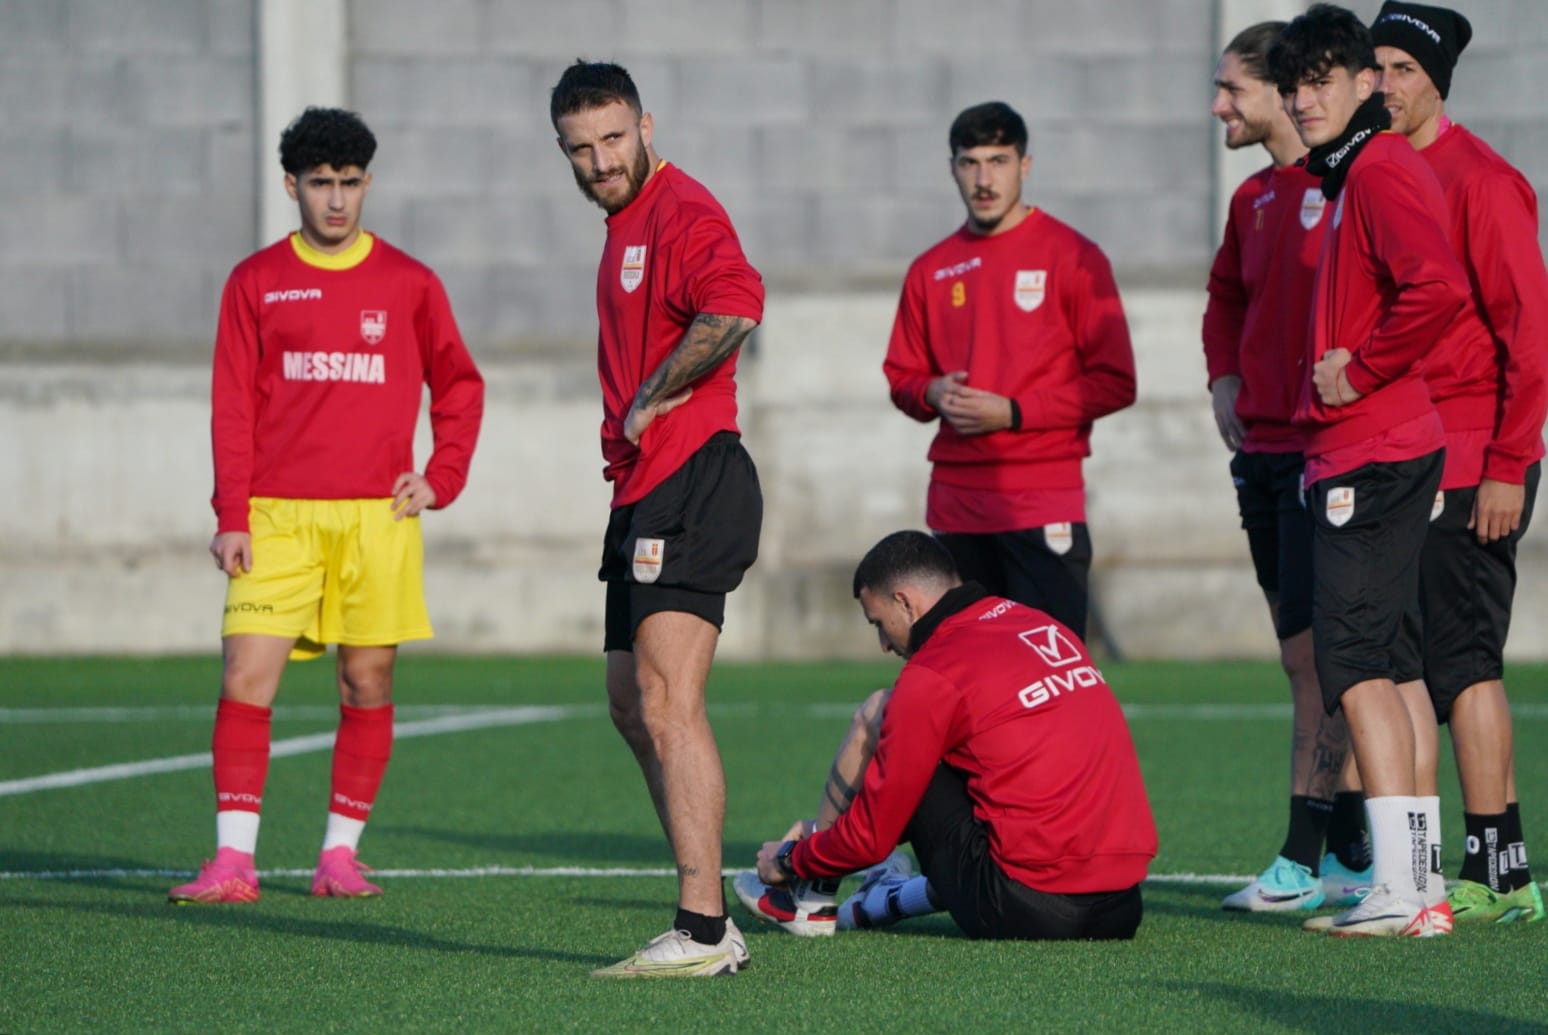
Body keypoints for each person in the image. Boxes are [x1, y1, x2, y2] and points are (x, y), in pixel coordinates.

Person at [170, 107, 485, 904]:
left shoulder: (410, 282)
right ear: (292, 186)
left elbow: (458, 385)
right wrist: (231, 513)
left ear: (367, 183)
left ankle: (338, 855)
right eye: (320, 184)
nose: (336, 201)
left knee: (367, 684)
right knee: (246, 673)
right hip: (275, 515)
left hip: (376, 519)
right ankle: (233, 861)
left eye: (349, 184)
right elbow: (231, 404)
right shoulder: (256, 281)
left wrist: (441, 476)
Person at [550, 60, 765, 978]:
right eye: (581, 147)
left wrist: (656, 389)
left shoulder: (683, 211)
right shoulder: (622, 223)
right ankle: (712, 905)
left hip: (693, 476)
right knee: (628, 703)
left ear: (646, 124)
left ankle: (705, 926)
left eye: (613, 137)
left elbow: (736, 304)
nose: (601, 159)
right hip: (642, 488)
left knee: (671, 701)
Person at [1266, 4, 1471, 937]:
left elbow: (1438, 286)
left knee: (1353, 665)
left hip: (1376, 447)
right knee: (1386, 666)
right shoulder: (1358, 172)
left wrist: (1362, 365)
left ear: (1365, 85)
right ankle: (1415, 885)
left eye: (1321, 80)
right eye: (1294, 84)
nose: (1304, 99)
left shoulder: (1381, 169)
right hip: (1367, 448)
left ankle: (1402, 887)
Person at [735, 531, 1157, 941]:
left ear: (905, 601)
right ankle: (887, 899)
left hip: (1023, 907)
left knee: (879, 712)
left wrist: (793, 859)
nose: (883, 643)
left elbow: (870, 840)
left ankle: (808, 899)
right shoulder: (1039, 624)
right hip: (1120, 907)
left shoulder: (933, 673)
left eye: (879, 623)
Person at [1372, 0, 1548, 924]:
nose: (1386, 85)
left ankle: (1500, 872)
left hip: (1474, 454)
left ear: (1438, 80)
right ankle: (1425, 869)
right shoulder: (1377, 174)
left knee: (1464, 664)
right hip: (1397, 455)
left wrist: (1510, 463)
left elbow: (1530, 333)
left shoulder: (1482, 181)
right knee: (1403, 665)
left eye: (1403, 68)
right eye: (1378, 67)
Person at [1202, 22, 1370, 914]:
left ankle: (1306, 854)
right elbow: (1224, 296)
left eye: (1232, 88)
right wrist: (1223, 375)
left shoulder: (1345, 183)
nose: (1220, 105)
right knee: (1296, 657)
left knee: (1315, 658)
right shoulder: (1254, 198)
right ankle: (1350, 846)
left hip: (1324, 454)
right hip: (1260, 454)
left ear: (1281, 91)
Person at [883, 102, 1136, 642]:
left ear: (1025, 164)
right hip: (956, 500)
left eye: (998, 160)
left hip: (1041, 496)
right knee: (962, 673)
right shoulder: (931, 268)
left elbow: (1116, 381)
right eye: (969, 162)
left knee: (1052, 665)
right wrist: (930, 391)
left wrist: (1015, 412)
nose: (983, 178)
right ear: (952, 168)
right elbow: (901, 375)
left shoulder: (1073, 256)